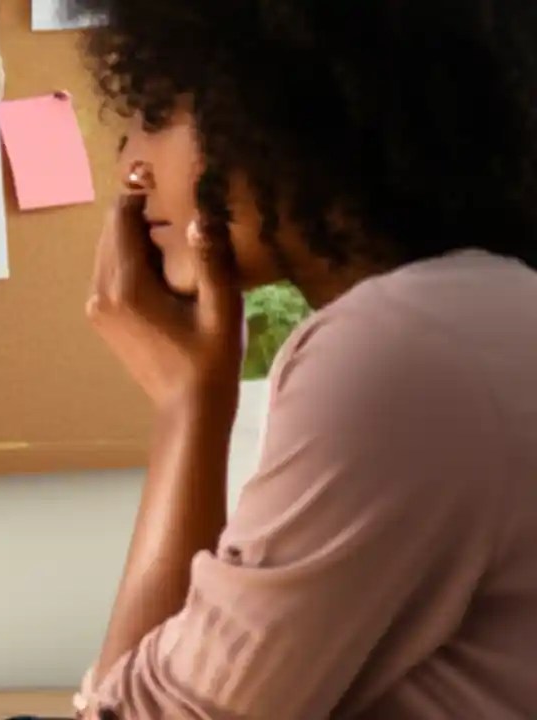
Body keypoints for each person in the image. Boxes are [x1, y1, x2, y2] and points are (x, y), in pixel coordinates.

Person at [69, 0, 537, 718]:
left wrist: (186, 410)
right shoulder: (485, 310)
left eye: (158, 113)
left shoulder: (403, 350)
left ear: (286, 105)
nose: (131, 166)